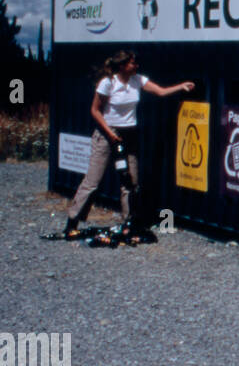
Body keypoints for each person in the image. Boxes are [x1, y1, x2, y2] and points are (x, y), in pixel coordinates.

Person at [62, 50, 195, 239]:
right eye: (133, 63)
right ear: (123, 65)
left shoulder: (138, 80)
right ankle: (72, 222)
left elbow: (160, 91)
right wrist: (110, 134)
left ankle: (129, 222)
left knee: (130, 182)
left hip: (129, 134)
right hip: (107, 133)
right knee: (93, 181)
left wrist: (181, 86)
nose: (137, 66)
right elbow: (95, 111)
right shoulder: (108, 83)